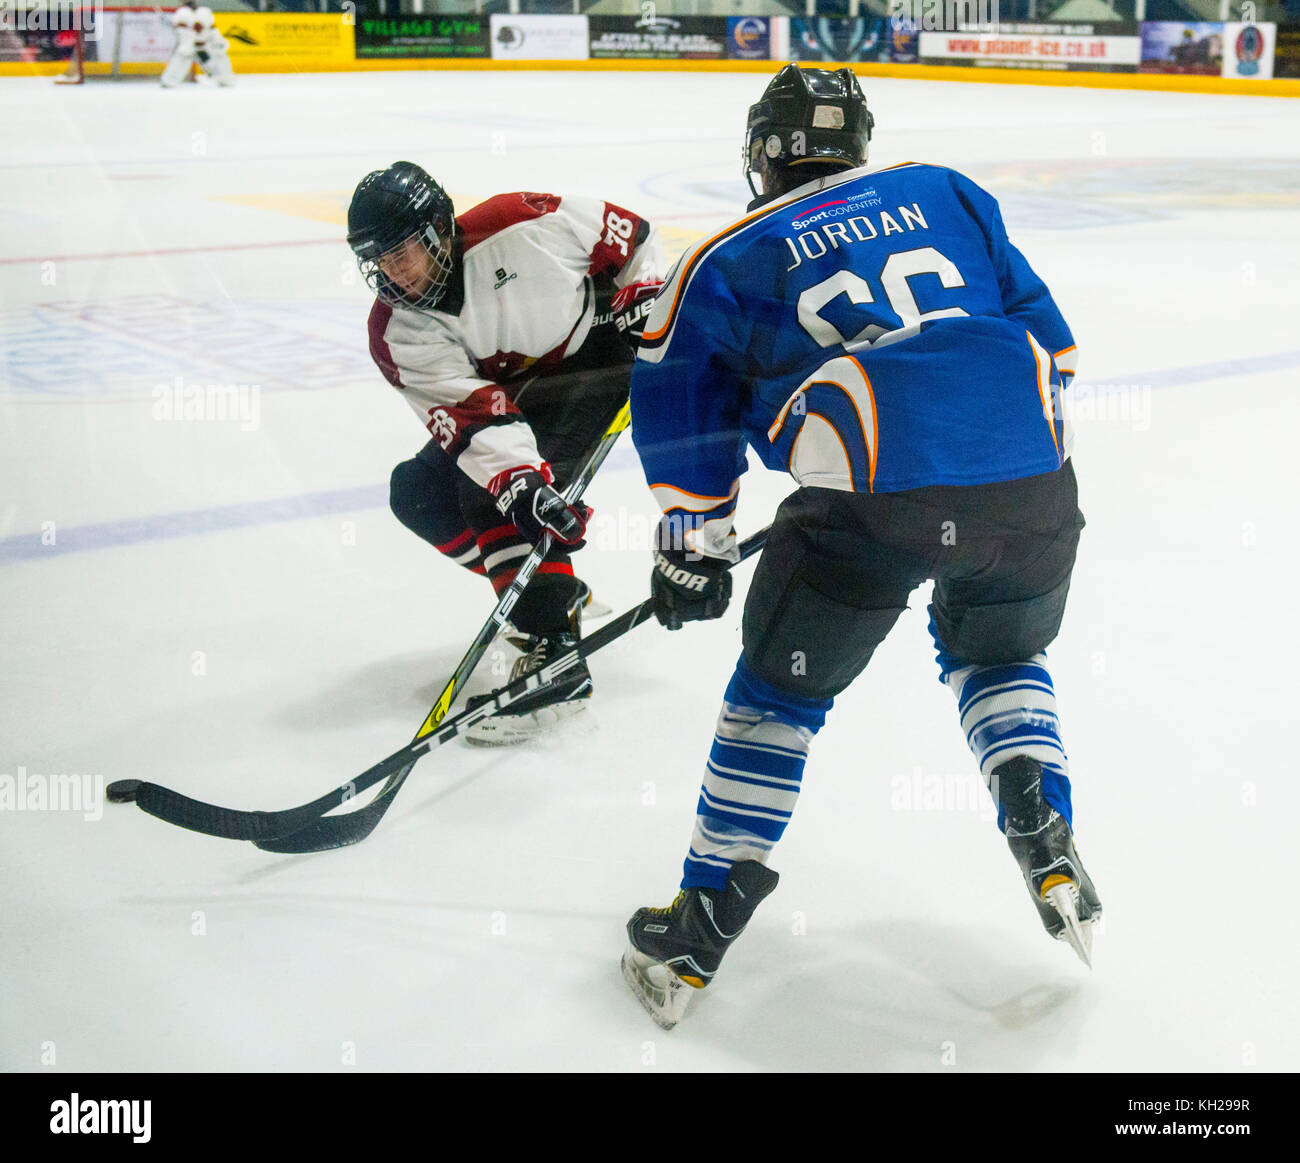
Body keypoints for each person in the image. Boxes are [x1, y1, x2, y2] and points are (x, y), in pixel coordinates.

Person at [621, 64, 1102, 1029]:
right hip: (1033, 487)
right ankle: (1042, 828)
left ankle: (699, 928)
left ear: (761, 151)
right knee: (1000, 652)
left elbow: (679, 404)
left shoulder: (725, 255)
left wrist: (694, 542)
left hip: (867, 512)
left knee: (779, 697)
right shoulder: (945, 188)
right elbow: (1058, 345)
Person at [347, 162, 663, 745]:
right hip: (519, 395)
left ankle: (557, 665)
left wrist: (643, 296)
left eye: (404, 252)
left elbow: (630, 235)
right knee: (419, 493)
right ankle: (550, 593)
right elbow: (474, 420)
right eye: (380, 261)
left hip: (599, 356)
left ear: (440, 228)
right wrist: (522, 483)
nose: (394, 273)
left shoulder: (520, 222)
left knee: (490, 494)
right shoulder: (396, 330)